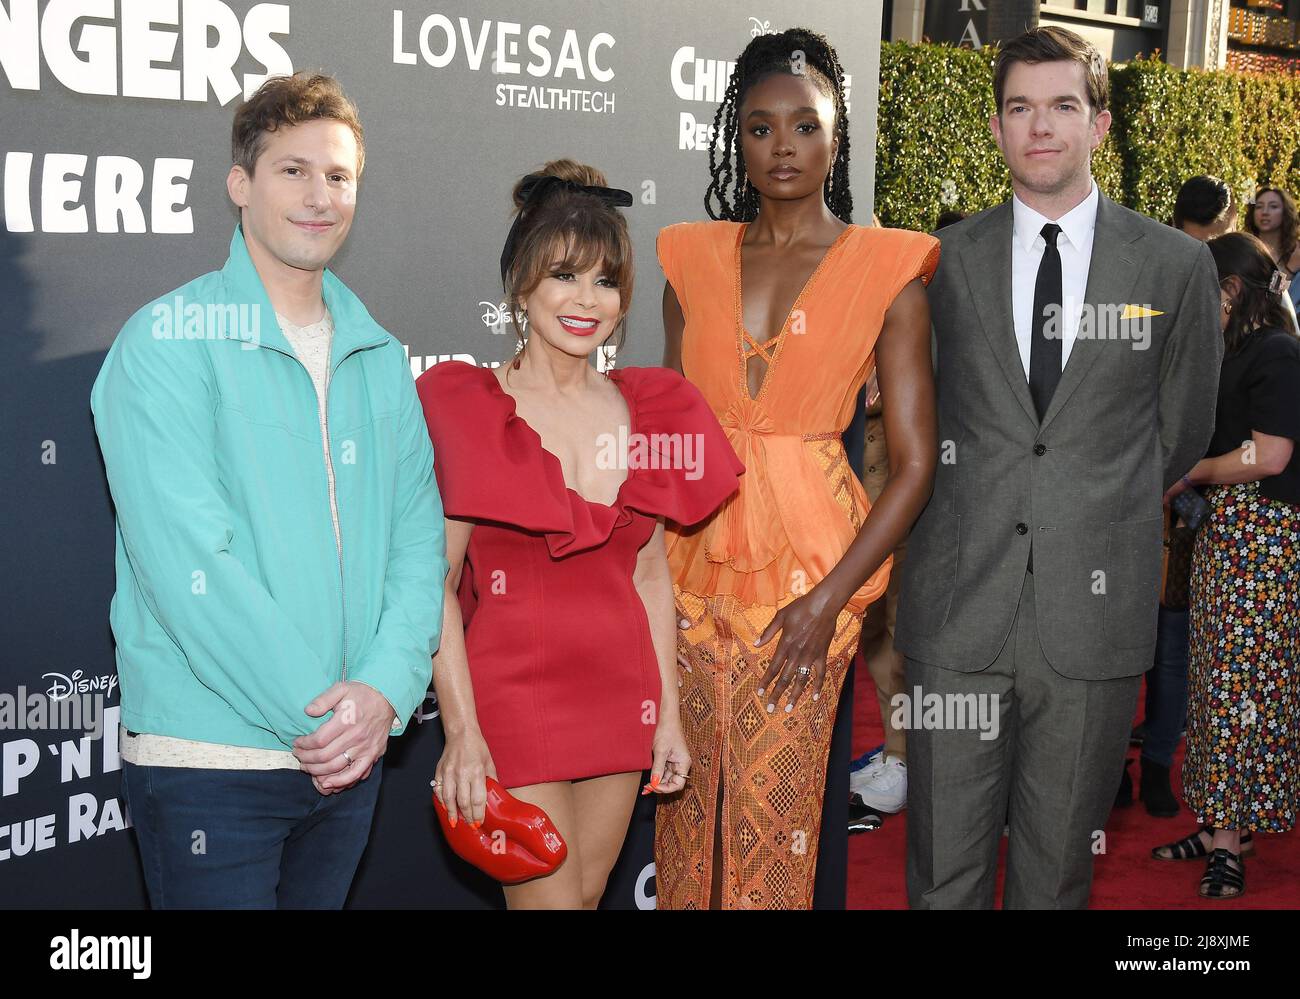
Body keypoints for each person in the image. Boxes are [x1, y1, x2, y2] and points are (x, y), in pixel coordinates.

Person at [90, 73, 447, 908]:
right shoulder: (165, 343)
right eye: (293, 171)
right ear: (240, 185)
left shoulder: (379, 356)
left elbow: (417, 540)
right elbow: (187, 565)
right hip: (211, 762)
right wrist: (326, 717)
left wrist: (387, 691)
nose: (320, 196)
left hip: (348, 760)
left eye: (338, 175)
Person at [895, 26, 1223, 909]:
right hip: (957, 609)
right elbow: (911, 423)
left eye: (1063, 106)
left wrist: (1094, 501)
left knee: (1055, 880)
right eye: (1020, 107)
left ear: (1099, 124)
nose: (1041, 126)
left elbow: (1182, 428)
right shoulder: (938, 261)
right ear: (998, 129)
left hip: (1095, 615)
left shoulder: (1175, 266)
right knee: (941, 876)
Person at [655, 27, 939, 909]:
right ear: (735, 140)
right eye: (761, 127)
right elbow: (667, 441)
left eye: (806, 126)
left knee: (776, 834)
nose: (784, 146)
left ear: (837, 137)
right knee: (685, 812)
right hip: (691, 571)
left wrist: (827, 602)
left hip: (811, 579)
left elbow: (918, 464)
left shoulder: (887, 270)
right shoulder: (689, 262)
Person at [417, 160, 741, 909]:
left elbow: (652, 575)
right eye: (563, 274)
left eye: (604, 280)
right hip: (513, 699)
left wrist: (664, 715)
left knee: (587, 898)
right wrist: (462, 730)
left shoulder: (651, 406)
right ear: (520, 285)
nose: (584, 299)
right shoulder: (472, 408)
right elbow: (433, 584)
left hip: (619, 697)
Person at [1152, 232, 1300, 899]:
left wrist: (1191, 472)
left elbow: (1269, 455)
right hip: (1229, 538)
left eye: (1203, 296)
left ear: (1232, 291)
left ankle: (1231, 843)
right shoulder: (1240, 349)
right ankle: (1218, 828)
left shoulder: (1277, 352)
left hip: (1264, 541)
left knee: (1245, 695)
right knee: (1214, 688)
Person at [1120, 174, 1242, 817]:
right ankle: (1119, 768)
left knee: (1168, 649)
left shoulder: (1250, 333)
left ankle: (1157, 766)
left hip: (1189, 508)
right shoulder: (1150, 280)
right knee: (1125, 645)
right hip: (1139, 495)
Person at [1245, 186, 1300, 321]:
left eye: (1273, 206)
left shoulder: (1297, 251)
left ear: (1286, 212)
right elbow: (1265, 301)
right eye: (1259, 207)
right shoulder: (1245, 251)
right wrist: (1288, 271)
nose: (1265, 212)